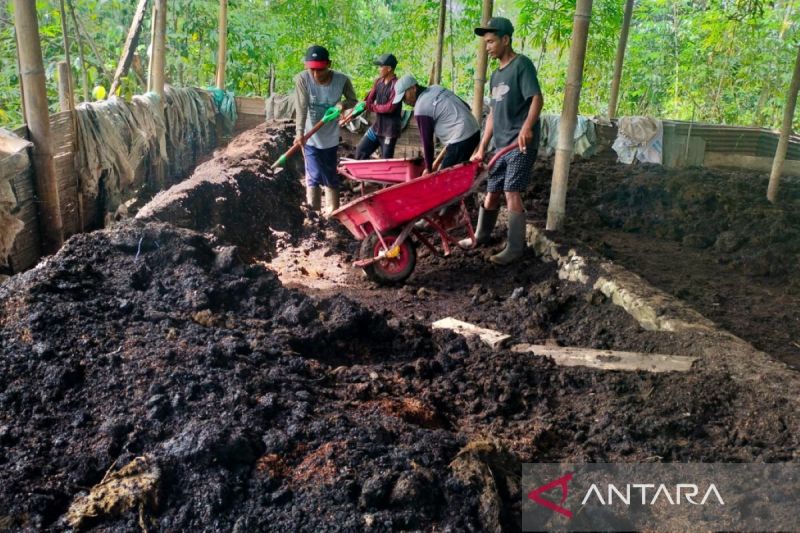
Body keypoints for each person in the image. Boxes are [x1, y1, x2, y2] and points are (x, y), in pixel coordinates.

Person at [468, 17, 544, 265]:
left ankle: (514, 248)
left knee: (511, 190)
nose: (487, 46)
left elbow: (536, 98)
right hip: (501, 145)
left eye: (491, 41)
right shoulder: (494, 76)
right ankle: (481, 235)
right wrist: (482, 147)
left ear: (505, 39)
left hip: (520, 144)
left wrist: (527, 128)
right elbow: (491, 115)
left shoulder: (522, 65)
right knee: (491, 193)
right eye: (485, 42)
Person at [294, 45, 357, 214]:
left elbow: (353, 100)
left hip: (330, 136)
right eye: (312, 70)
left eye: (320, 70)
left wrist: (342, 105)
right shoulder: (302, 79)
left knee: (329, 173)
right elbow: (301, 107)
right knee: (313, 174)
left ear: (329, 64)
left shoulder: (341, 80)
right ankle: (313, 214)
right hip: (310, 135)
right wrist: (299, 133)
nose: (315, 75)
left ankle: (333, 212)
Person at [392, 75, 480, 173]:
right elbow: (466, 106)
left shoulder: (421, 108)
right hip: (475, 131)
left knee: (444, 178)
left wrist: (428, 168)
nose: (405, 102)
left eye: (404, 97)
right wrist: (436, 163)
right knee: (454, 171)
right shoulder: (436, 88)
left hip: (461, 139)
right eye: (402, 100)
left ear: (413, 88)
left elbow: (427, 143)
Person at [355, 53, 402, 160]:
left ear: (389, 68)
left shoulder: (397, 85)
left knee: (386, 161)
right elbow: (369, 99)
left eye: (381, 66)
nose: (379, 69)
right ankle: (365, 176)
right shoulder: (378, 82)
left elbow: (390, 108)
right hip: (376, 129)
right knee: (360, 152)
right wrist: (362, 105)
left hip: (389, 132)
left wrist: (372, 107)